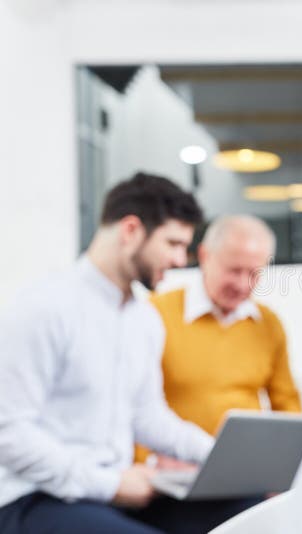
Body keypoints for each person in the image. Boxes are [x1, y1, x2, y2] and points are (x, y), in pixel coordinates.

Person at [0, 174, 257, 533]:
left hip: (116, 492)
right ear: (131, 230)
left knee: (253, 511)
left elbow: (147, 417)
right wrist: (111, 484)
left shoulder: (144, 318)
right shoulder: (43, 307)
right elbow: (9, 434)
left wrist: (219, 456)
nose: (180, 259)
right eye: (172, 243)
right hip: (36, 498)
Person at [136, 214, 301, 465]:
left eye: (254, 274)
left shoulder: (268, 324)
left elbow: (287, 407)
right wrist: (148, 461)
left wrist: (285, 465)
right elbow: (132, 405)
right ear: (204, 256)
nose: (242, 284)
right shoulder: (156, 314)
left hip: (244, 468)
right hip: (173, 468)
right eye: (234, 270)